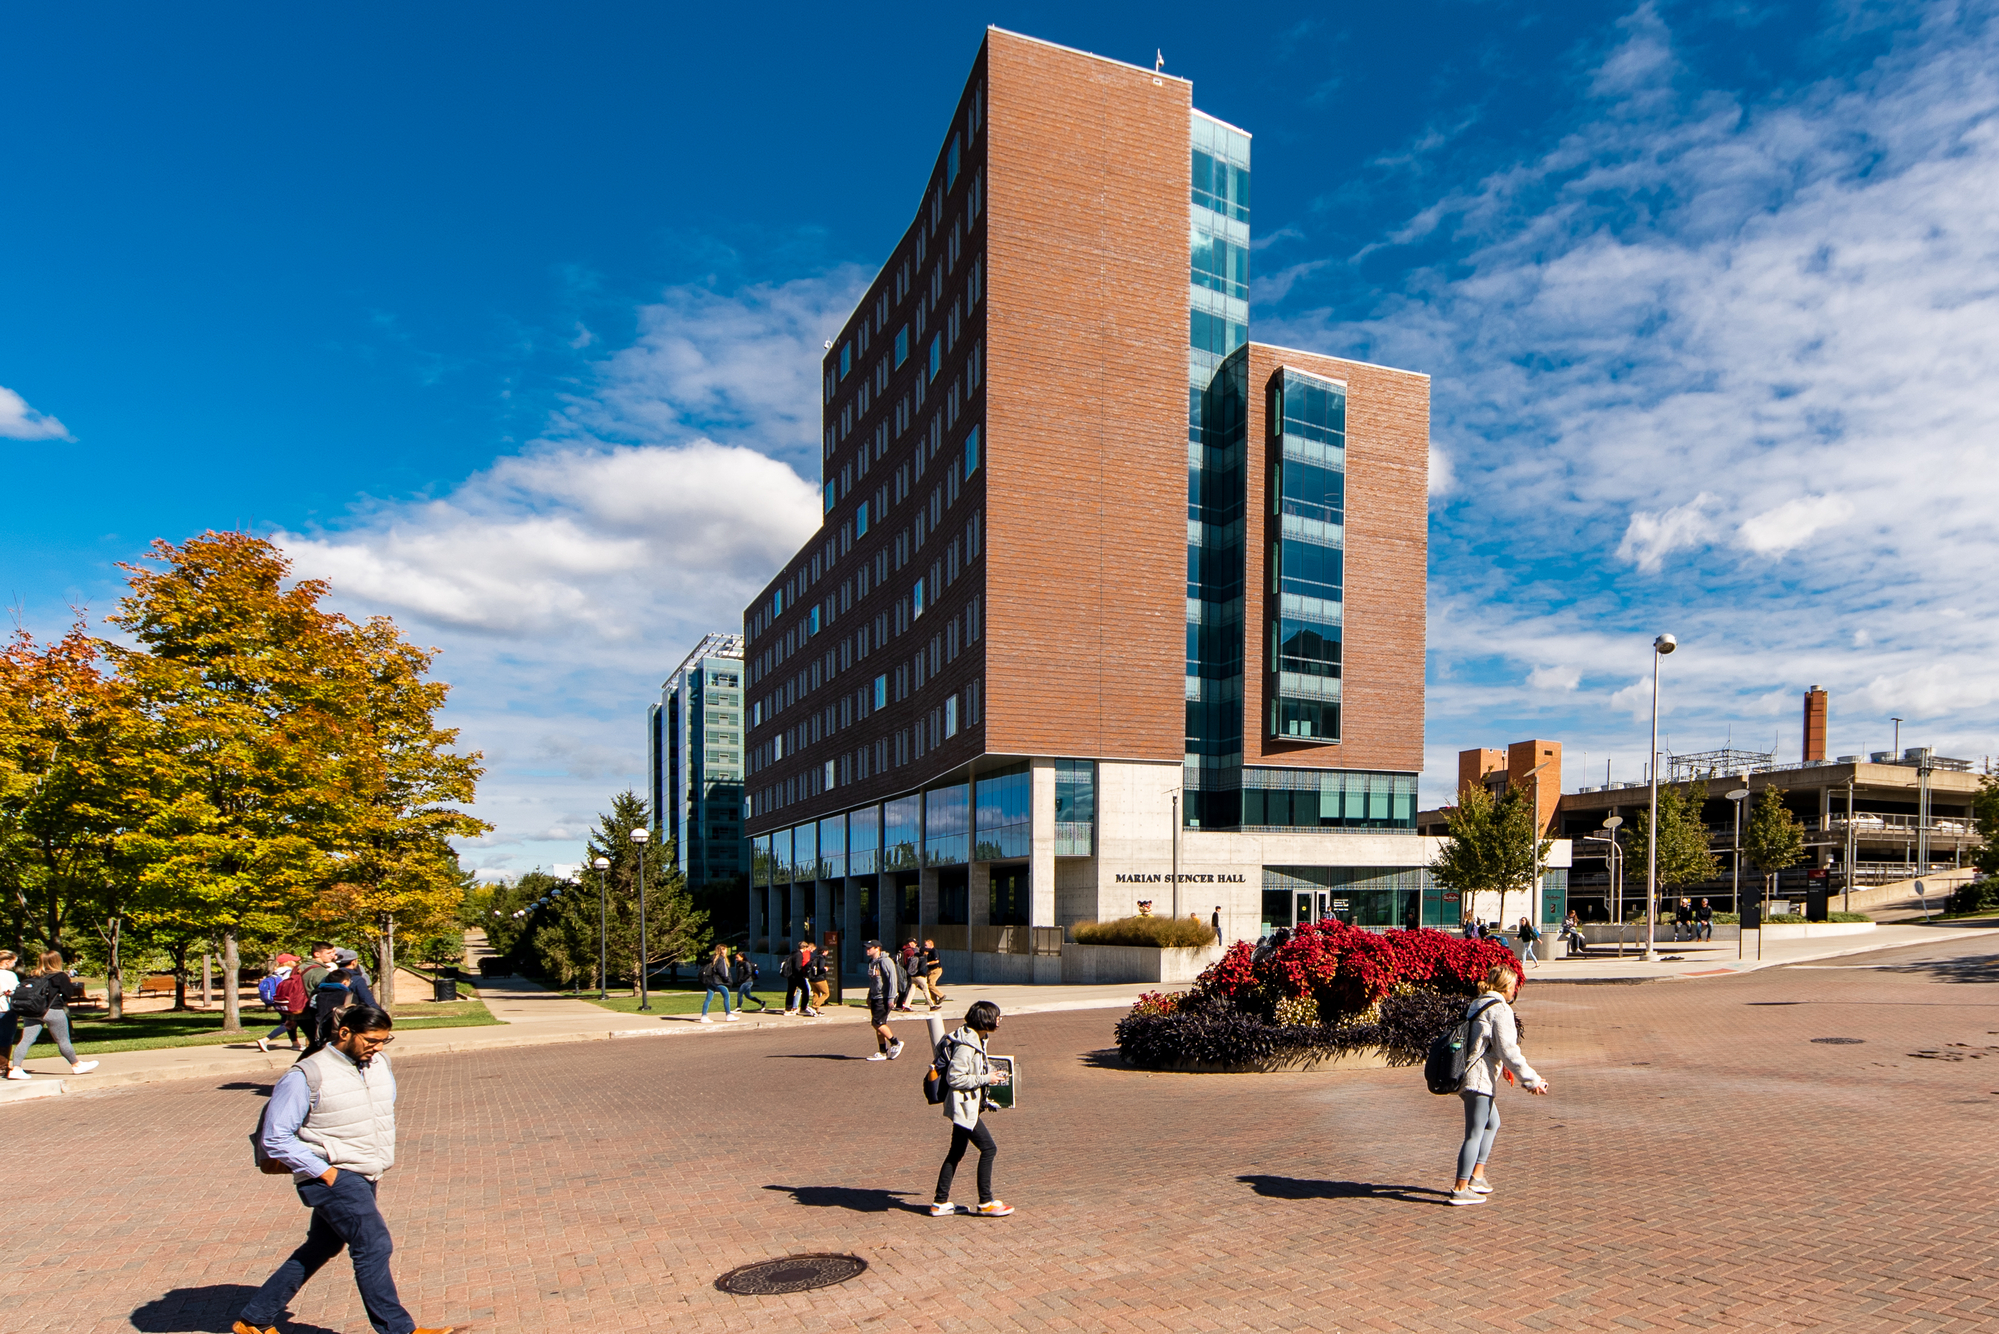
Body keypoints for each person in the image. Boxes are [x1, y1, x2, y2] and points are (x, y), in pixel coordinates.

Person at [233, 1003, 455, 1334]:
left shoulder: (380, 1064)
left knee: (323, 1245)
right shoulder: (307, 1074)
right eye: (371, 1040)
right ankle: (398, 1330)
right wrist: (323, 1171)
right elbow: (275, 1137)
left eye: (385, 1040)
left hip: (366, 1172)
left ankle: (253, 1320)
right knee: (374, 1243)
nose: (378, 1048)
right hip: (331, 1175)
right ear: (345, 1033)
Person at [1449, 962, 1548, 1205]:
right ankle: (1460, 1188)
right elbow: (1509, 1050)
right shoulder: (1500, 1009)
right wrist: (1532, 1080)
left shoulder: (1479, 1003)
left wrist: (1503, 1068)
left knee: (1492, 1123)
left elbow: (1485, 1043)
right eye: (1514, 986)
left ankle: (1477, 1176)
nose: (1515, 990)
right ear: (1506, 986)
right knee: (1474, 1132)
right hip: (1478, 1079)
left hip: (1469, 1075)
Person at [930, 999, 1014, 1218]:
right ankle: (985, 1201)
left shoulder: (976, 1037)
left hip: (967, 1106)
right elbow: (955, 1078)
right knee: (989, 1148)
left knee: (956, 1152)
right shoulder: (967, 1045)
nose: (999, 1020)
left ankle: (940, 1202)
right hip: (964, 1107)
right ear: (985, 1019)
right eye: (997, 1016)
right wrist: (987, 1078)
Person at [7, 950, 100, 1078]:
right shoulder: (60, 976)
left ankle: (15, 1068)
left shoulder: (33, 975)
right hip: (53, 1010)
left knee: (26, 1040)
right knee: (62, 1040)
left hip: (32, 1011)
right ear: (57, 961)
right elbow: (68, 993)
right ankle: (76, 1065)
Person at [862, 941, 904, 1062]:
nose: (867, 950)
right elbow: (874, 982)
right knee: (879, 1025)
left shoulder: (885, 961)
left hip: (883, 997)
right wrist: (869, 996)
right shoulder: (872, 962)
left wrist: (891, 998)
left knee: (877, 1023)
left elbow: (892, 980)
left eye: (870, 948)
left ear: (877, 948)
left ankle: (895, 1042)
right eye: (867, 948)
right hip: (875, 997)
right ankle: (882, 1051)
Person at [258, 954, 309, 1053]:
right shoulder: (289, 972)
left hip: (278, 1000)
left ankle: (295, 1044)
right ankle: (265, 1040)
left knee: (290, 1021)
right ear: (288, 962)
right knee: (288, 1023)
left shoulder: (276, 972)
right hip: (288, 1000)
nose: (295, 962)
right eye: (293, 960)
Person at [302, 969, 354, 1060]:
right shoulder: (349, 996)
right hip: (341, 1033)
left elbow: (312, 1012)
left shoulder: (316, 995)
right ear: (345, 982)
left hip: (321, 1033)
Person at [697, 944, 739, 1023]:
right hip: (718, 981)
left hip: (710, 981)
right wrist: (727, 979)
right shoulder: (721, 959)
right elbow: (723, 971)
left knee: (709, 998)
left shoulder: (712, 958)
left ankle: (704, 1015)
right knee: (726, 996)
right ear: (722, 950)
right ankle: (728, 1015)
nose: (725, 951)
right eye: (724, 949)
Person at [784, 940, 819, 1016]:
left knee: (791, 991)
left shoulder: (793, 953)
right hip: (796, 976)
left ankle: (788, 1009)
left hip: (790, 975)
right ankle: (802, 1007)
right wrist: (802, 973)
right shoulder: (799, 955)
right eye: (806, 947)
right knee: (805, 989)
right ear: (804, 947)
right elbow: (797, 967)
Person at [0, 950, 19, 1080]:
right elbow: (16, 991)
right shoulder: (9, 975)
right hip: (5, 1009)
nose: (14, 965)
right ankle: (2, 1066)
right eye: (13, 962)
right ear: (7, 962)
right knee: (6, 1039)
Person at [897, 940, 920, 1012]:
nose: (914, 944)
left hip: (902, 970)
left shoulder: (903, 950)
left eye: (915, 943)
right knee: (907, 987)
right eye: (912, 943)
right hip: (907, 971)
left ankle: (899, 1003)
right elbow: (911, 962)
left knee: (903, 987)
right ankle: (904, 1003)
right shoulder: (910, 951)